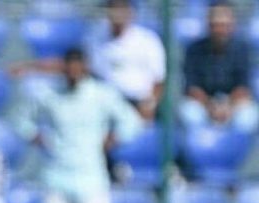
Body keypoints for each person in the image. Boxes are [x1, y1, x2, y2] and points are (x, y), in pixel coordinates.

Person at [11, 48, 142, 203]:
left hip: (91, 179)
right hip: (56, 177)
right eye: (69, 69)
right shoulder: (50, 95)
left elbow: (131, 121)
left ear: (85, 68)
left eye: (77, 69)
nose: (73, 74)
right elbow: (20, 119)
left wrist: (112, 139)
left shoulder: (101, 95)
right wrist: (37, 137)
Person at [180, 0, 258, 133]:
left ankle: (237, 152)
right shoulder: (194, 49)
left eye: (224, 25)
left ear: (232, 25)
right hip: (204, 103)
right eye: (215, 25)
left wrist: (228, 106)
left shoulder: (243, 48)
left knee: (248, 117)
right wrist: (210, 106)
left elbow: (243, 87)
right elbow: (192, 87)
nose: (220, 30)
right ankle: (200, 151)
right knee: (189, 114)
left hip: (233, 103)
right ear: (208, 25)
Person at [86, 0, 166, 121]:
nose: (117, 14)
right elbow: (91, 73)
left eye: (122, 9)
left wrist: (149, 106)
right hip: (106, 106)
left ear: (131, 13)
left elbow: (159, 81)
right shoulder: (95, 39)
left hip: (139, 104)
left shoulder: (148, 40)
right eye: (113, 9)